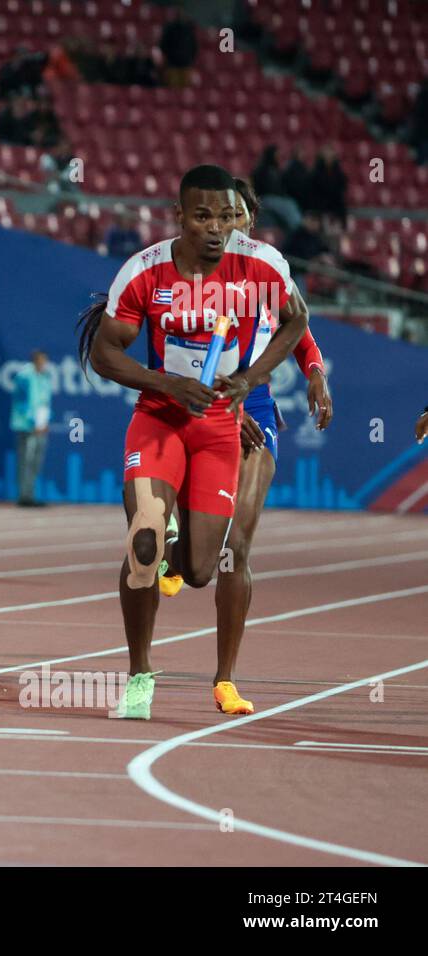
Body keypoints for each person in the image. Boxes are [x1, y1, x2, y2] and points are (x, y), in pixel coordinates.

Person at [77, 164, 306, 720]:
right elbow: (105, 353)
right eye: (202, 215)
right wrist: (166, 383)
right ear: (178, 216)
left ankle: (178, 542)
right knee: (144, 541)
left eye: (227, 216)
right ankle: (138, 675)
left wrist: (248, 380)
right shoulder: (145, 271)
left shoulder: (262, 265)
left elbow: (296, 322)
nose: (215, 228)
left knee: (202, 570)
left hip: (219, 428)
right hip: (159, 420)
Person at [160, 178, 332, 715]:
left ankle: (225, 680)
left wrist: (316, 372)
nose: (227, 230)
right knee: (196, 568)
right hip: (200, 409)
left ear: (249, 223)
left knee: (240, 543)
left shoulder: (262, 268)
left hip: (254, 407)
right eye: (216, 220)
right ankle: (172, 541)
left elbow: (295, 327)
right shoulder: (191, 275)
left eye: (237, 220)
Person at [11, 349, 52, 507]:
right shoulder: (24, 376)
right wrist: (32, 422)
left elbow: (45, 402)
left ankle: (31, 493)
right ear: (35, 360)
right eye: (41, 361)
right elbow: (21, 402)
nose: (43, 364)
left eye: (45, 361)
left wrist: (45, 421)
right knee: (26, 461)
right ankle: (24, 495)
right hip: (27, 426)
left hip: (41, 426)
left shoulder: (45, 377)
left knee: (36, 462)